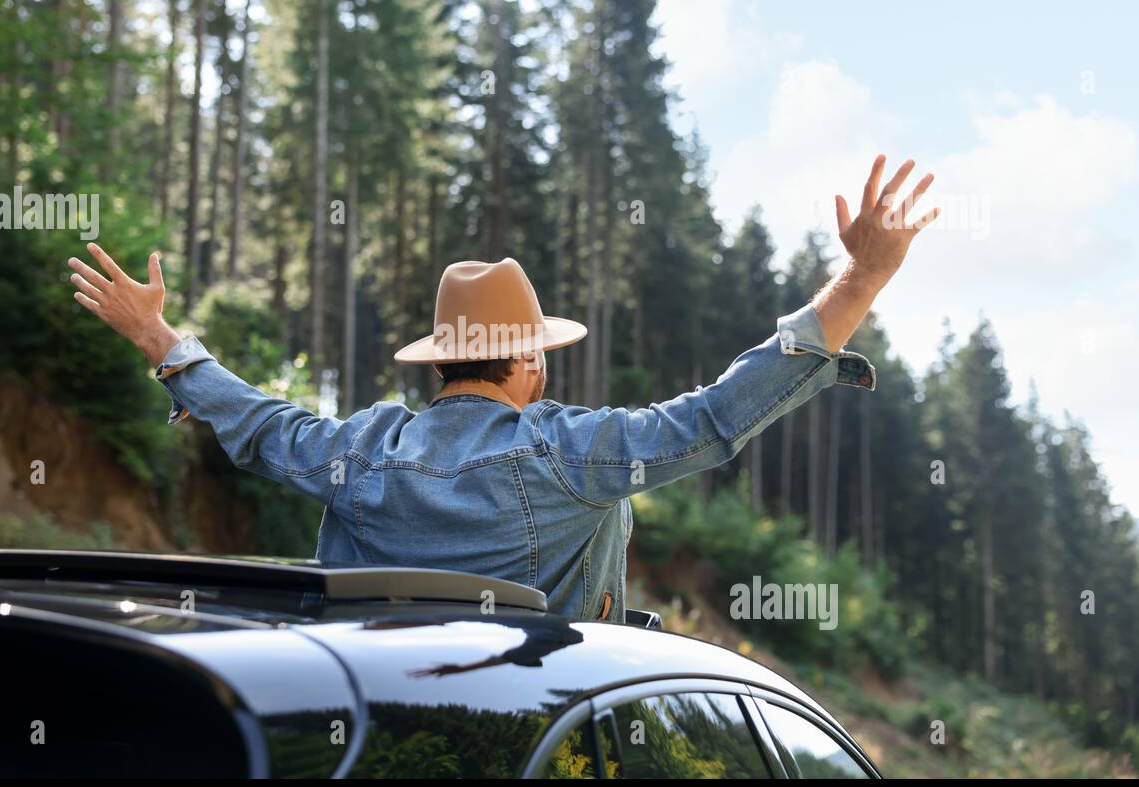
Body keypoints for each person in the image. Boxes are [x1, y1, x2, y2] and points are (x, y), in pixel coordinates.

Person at [67, 155, 939, 622]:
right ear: (531, 363)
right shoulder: (568, 451)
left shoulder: (363, 449)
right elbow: (714, 417)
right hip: (547, 724)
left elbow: (259, 425)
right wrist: (858, 280)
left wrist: (160, 336)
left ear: (442, 362)